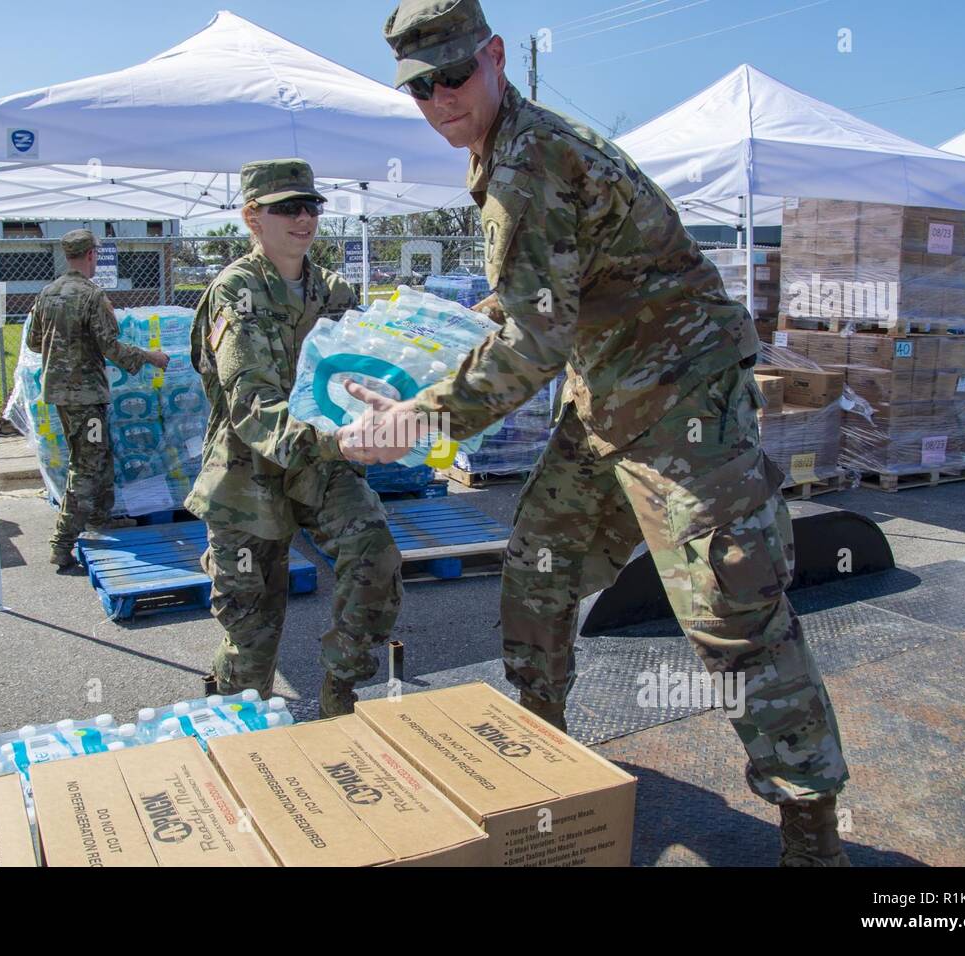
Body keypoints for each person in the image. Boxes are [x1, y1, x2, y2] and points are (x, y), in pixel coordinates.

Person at [339, 0, 851, 866]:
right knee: (538, 573)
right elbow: (553, 293)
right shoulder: (505, 150)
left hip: (684, 404)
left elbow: (535, 341)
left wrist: (421, 420)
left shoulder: (528, 164)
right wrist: (467, 329)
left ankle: (811, 834)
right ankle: (545, 767)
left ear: (495, 57)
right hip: (606, 394)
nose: (439, 99)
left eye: (453, 76)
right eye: (419, 87)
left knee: (734, 617)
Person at [185, 159, 403, 717]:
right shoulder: (235, 292)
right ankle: (237, 725)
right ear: (252, 217)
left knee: (374, 555)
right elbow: (251, 408)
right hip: (246, 472)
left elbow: (359, 372)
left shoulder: (334, 292)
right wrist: (341, 442)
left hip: (321, 465)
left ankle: (340, 690)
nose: (303, 218)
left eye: (310, 206)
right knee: (253, 628)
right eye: (287, 208)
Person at [26, 229, 169, 568]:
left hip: (60, 393)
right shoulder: (92, 296)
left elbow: (34, 341)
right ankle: (62, 544)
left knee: (100, 454)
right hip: (86, 395)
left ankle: (100, 519)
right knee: (87, 465)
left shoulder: (47, 293)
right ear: (91, 254)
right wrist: (151, 357)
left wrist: (64, 348)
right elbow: (111, 347)